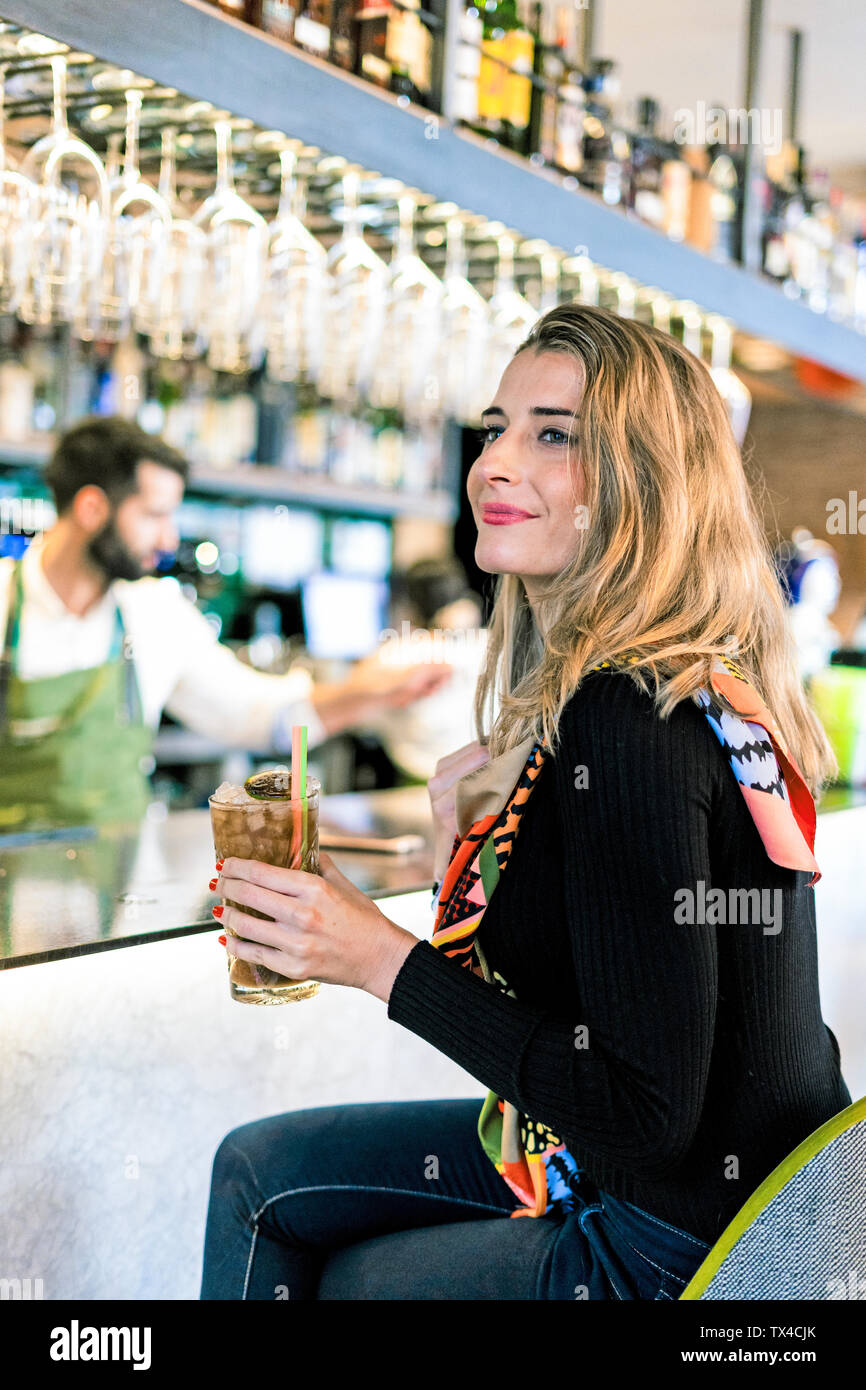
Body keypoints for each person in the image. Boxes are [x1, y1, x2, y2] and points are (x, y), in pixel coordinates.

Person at [199, 304, 851, 1301]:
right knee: (260, 1172)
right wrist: (481, 848)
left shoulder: (625, 714)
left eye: (552, 435)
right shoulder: (695, 678)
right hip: (782, 1216)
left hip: (689, 1250)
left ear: (641, 479)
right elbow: (604, 999)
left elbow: (638, 1108)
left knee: (348, 1279)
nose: (492, 462)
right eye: (496, 424)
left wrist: (377, 957)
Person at [0, 416, 451, 831]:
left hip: (115, 894)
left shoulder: (154, 612)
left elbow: (256, 714)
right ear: (92, 508)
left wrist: (372, 690)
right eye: (154, 515)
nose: (169, 538)